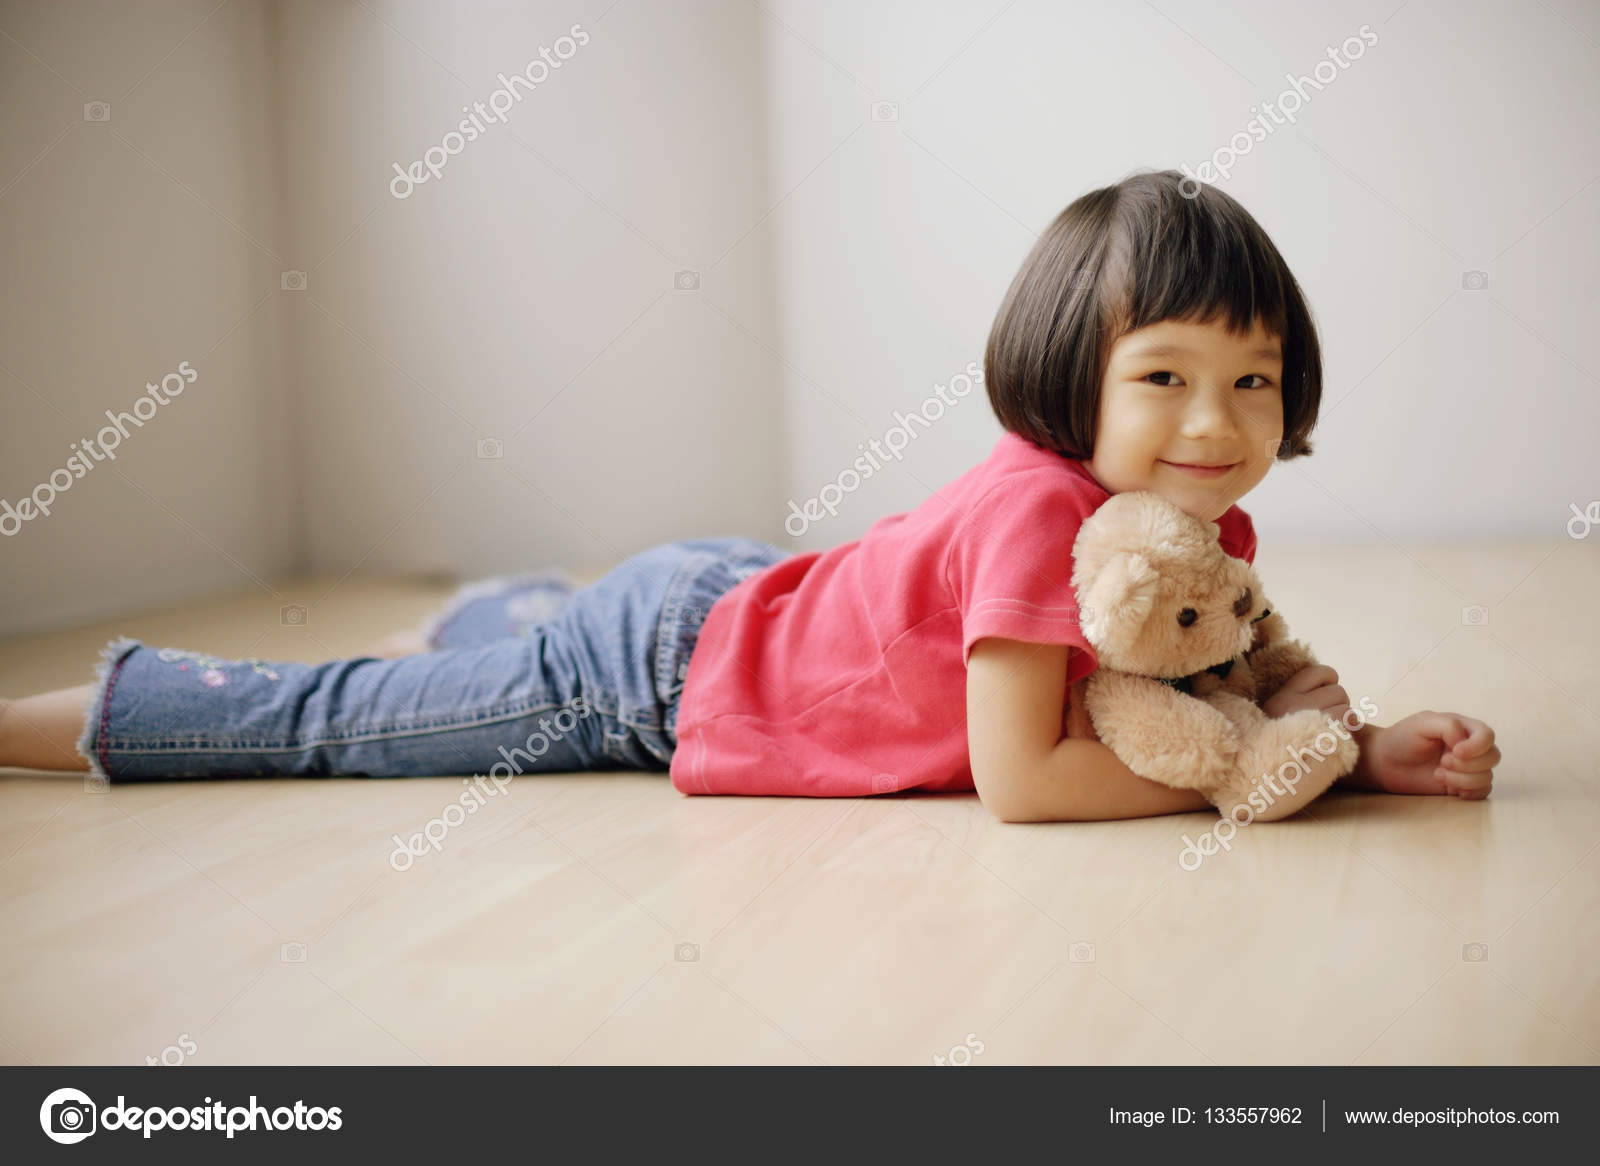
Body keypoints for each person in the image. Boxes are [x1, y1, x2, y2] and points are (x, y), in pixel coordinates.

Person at [0, 169, 1499, 822]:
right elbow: (1028, 781)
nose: (1218, 420)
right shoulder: (1046, 517)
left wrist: (1348, 746)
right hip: (662, 676)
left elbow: (1215, 665)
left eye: (1254, 379)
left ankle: (473, 621)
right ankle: (67, 718)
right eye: (1166, 375)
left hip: (741, 589)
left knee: (511, 636)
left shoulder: (1186, 522)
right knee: (332, 724)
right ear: (1069, 369)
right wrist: (1272, 765)